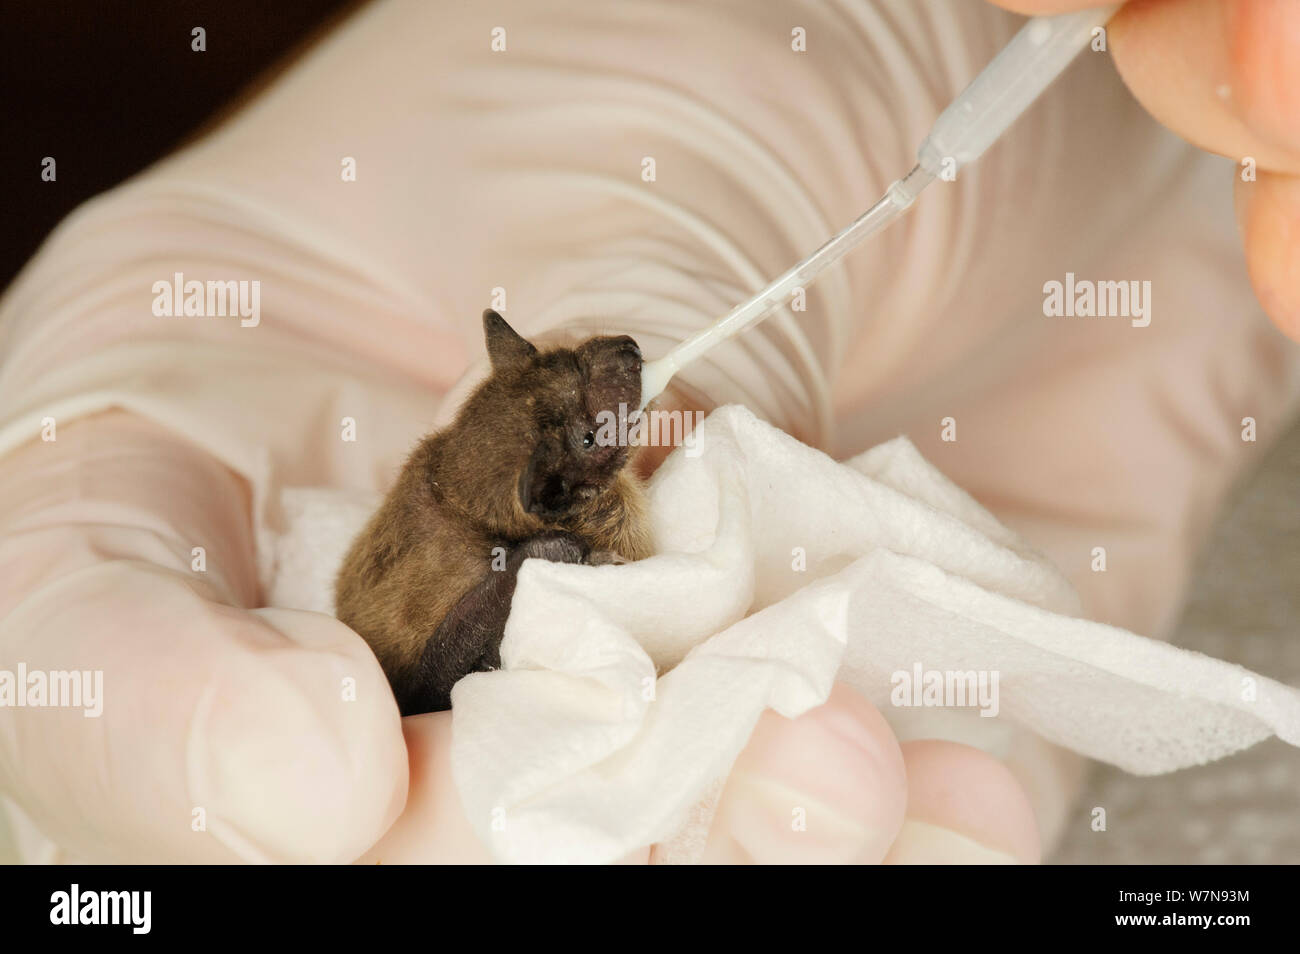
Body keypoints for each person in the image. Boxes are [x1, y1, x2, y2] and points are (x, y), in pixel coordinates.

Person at [0, 0, 1295, 864]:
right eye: (586, 400)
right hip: (441, 610)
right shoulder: (538, 518)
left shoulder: (532, 484)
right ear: (564, 474)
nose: (629, 369)